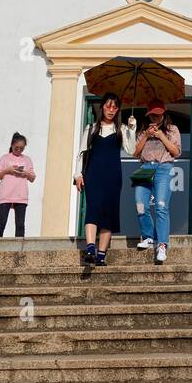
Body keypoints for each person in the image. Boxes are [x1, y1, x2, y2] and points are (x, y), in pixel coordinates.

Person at [74, 93, 123, 267]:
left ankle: (101, 256)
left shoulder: (121, 130)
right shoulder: (91, 128)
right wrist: (78, 174)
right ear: (102, 107)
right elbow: (81, 152)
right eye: (108, 106)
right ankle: (90, 249)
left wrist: (132, 129)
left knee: (109, 214)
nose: (111, 110)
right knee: (93, 209)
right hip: (93, 174)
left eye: (114, 107)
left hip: (113, 176)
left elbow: (132, 150)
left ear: (118, 110)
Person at [132, 98, 181, 264]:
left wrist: (161, 136)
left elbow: (176, 152)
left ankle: (162, 244)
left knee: (161, 206)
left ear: (163, 114)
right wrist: (146, 135)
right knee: (140, 205)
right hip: (145, 168)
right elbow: (135, 153)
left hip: (163, 168)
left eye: (157, 115)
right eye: (152, 115)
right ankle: (148, 237)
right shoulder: (143, 130)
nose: (154, 118)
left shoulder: (172, 129)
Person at [0, 133, 34, 237]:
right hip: (5, 195)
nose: (19, 150)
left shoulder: (27, 160)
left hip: (21, 195)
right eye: (16, 148)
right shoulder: (5, 158)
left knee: (20, 225)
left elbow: (32, 178)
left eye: (22, 148)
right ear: (11, 145)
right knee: (1, 222)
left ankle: (19, 250)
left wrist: (25, 173)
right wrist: (7, 170)